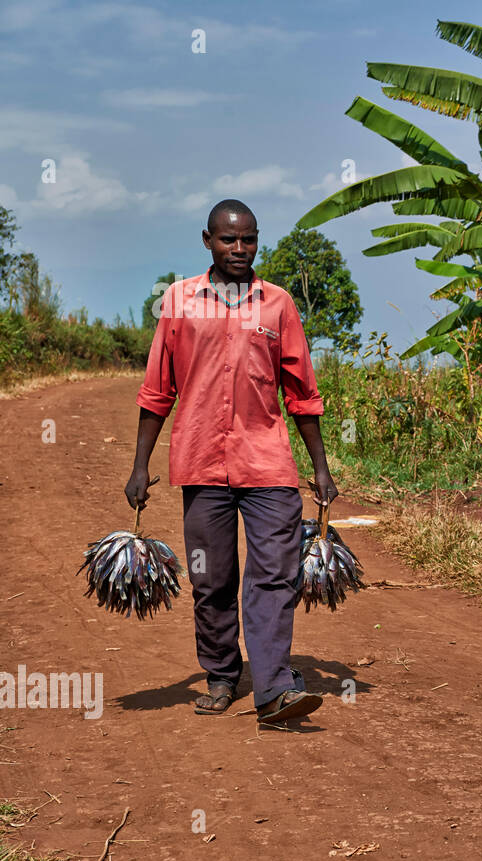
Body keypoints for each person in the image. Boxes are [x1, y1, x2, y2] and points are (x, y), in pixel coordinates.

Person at [125, 199, 337, 724]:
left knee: (274, 576)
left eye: (248, 240)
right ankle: (221, 674)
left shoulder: (278, 305)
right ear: (207, 240)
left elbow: (302, 396)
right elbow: (157, 391)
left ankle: (273, 689)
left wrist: (321, 467)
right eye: (228, 240)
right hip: (199, 464)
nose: (239, 250)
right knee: (212, 579)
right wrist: (138, 465)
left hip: (267, 465)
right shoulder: (178, 301)